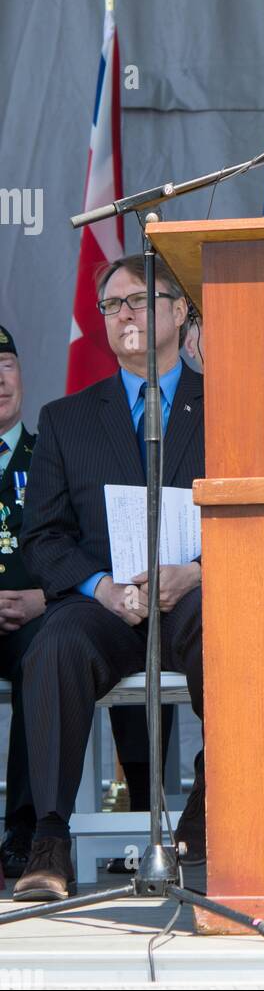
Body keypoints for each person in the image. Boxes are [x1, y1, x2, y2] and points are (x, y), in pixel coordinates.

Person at [13, 255, 205, 901]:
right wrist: (100, 587)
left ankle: (206, 811)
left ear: (181, 311)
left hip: (197, 592)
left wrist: (196, 572)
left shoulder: (228, 403)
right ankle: (49, 837)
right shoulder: (66, 419)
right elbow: (44, 536)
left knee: (236, 637)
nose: (123, 313)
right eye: (111, 304)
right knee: (55, 646)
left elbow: (258, 514)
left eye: (140, 299)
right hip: (106, 602)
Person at [0, 325, 46, 878]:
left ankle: (26, 828)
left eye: (6, 364)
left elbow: (85, 545)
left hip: (36, 616)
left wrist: (45, 598)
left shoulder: (51, 453)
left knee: (46, 661)